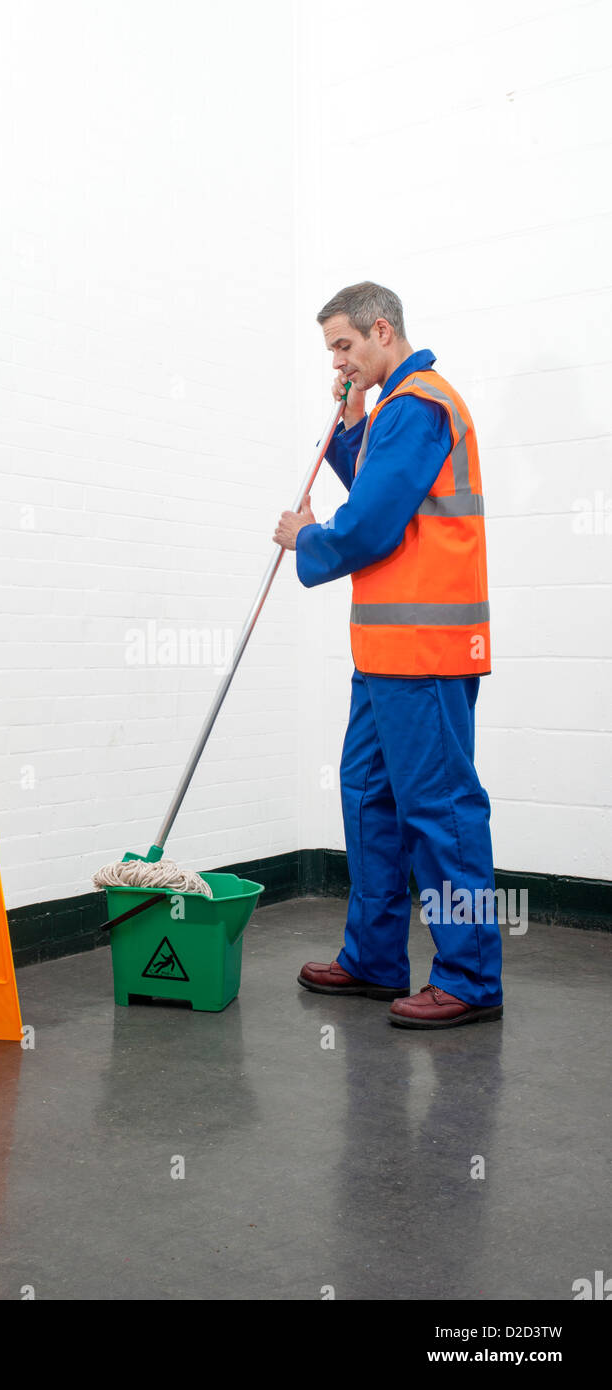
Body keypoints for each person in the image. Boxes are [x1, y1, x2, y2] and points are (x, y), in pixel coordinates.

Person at [273, 281, 503, 1029]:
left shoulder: (419, 405)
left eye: (343, 346)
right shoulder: (392, 411)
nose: (337, 362)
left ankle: (469, 977)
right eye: (330, 351)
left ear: (382, 331)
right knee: (369, 797)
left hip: (427, 651)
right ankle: (375, 958)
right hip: (384, 653)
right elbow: (385, 489)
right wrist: (349, 428)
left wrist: (305, 538)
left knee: (440, 810)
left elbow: (372, 525)